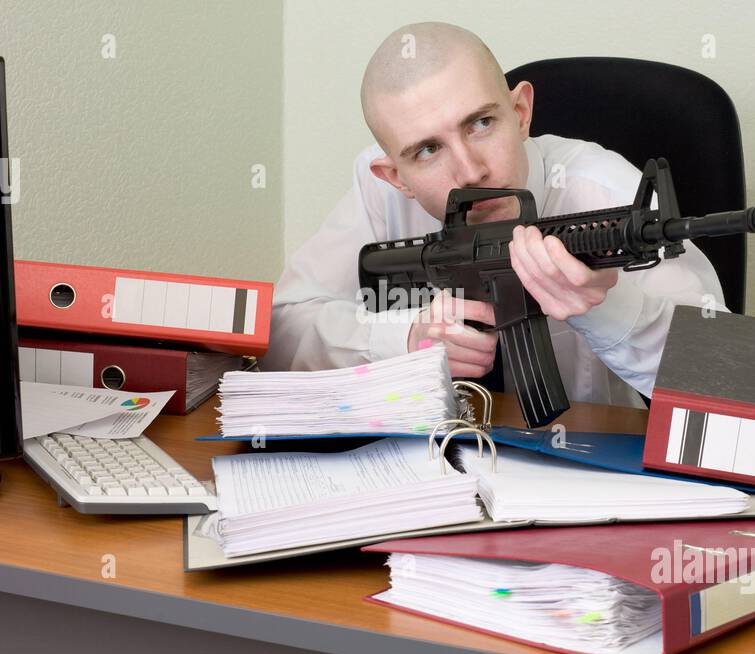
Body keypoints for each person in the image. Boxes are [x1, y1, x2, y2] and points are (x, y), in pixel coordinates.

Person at [261, 22, 727, 408]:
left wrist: (611, 308)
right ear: (394, 176)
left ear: (521, 112)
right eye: (427, 150)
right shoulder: (381, 195)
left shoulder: (607, 195)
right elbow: (280, 331)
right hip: (431, 474)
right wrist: (405, 337)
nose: (471, 172)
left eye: (481, 123)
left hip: (596, 486)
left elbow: (729, 382)